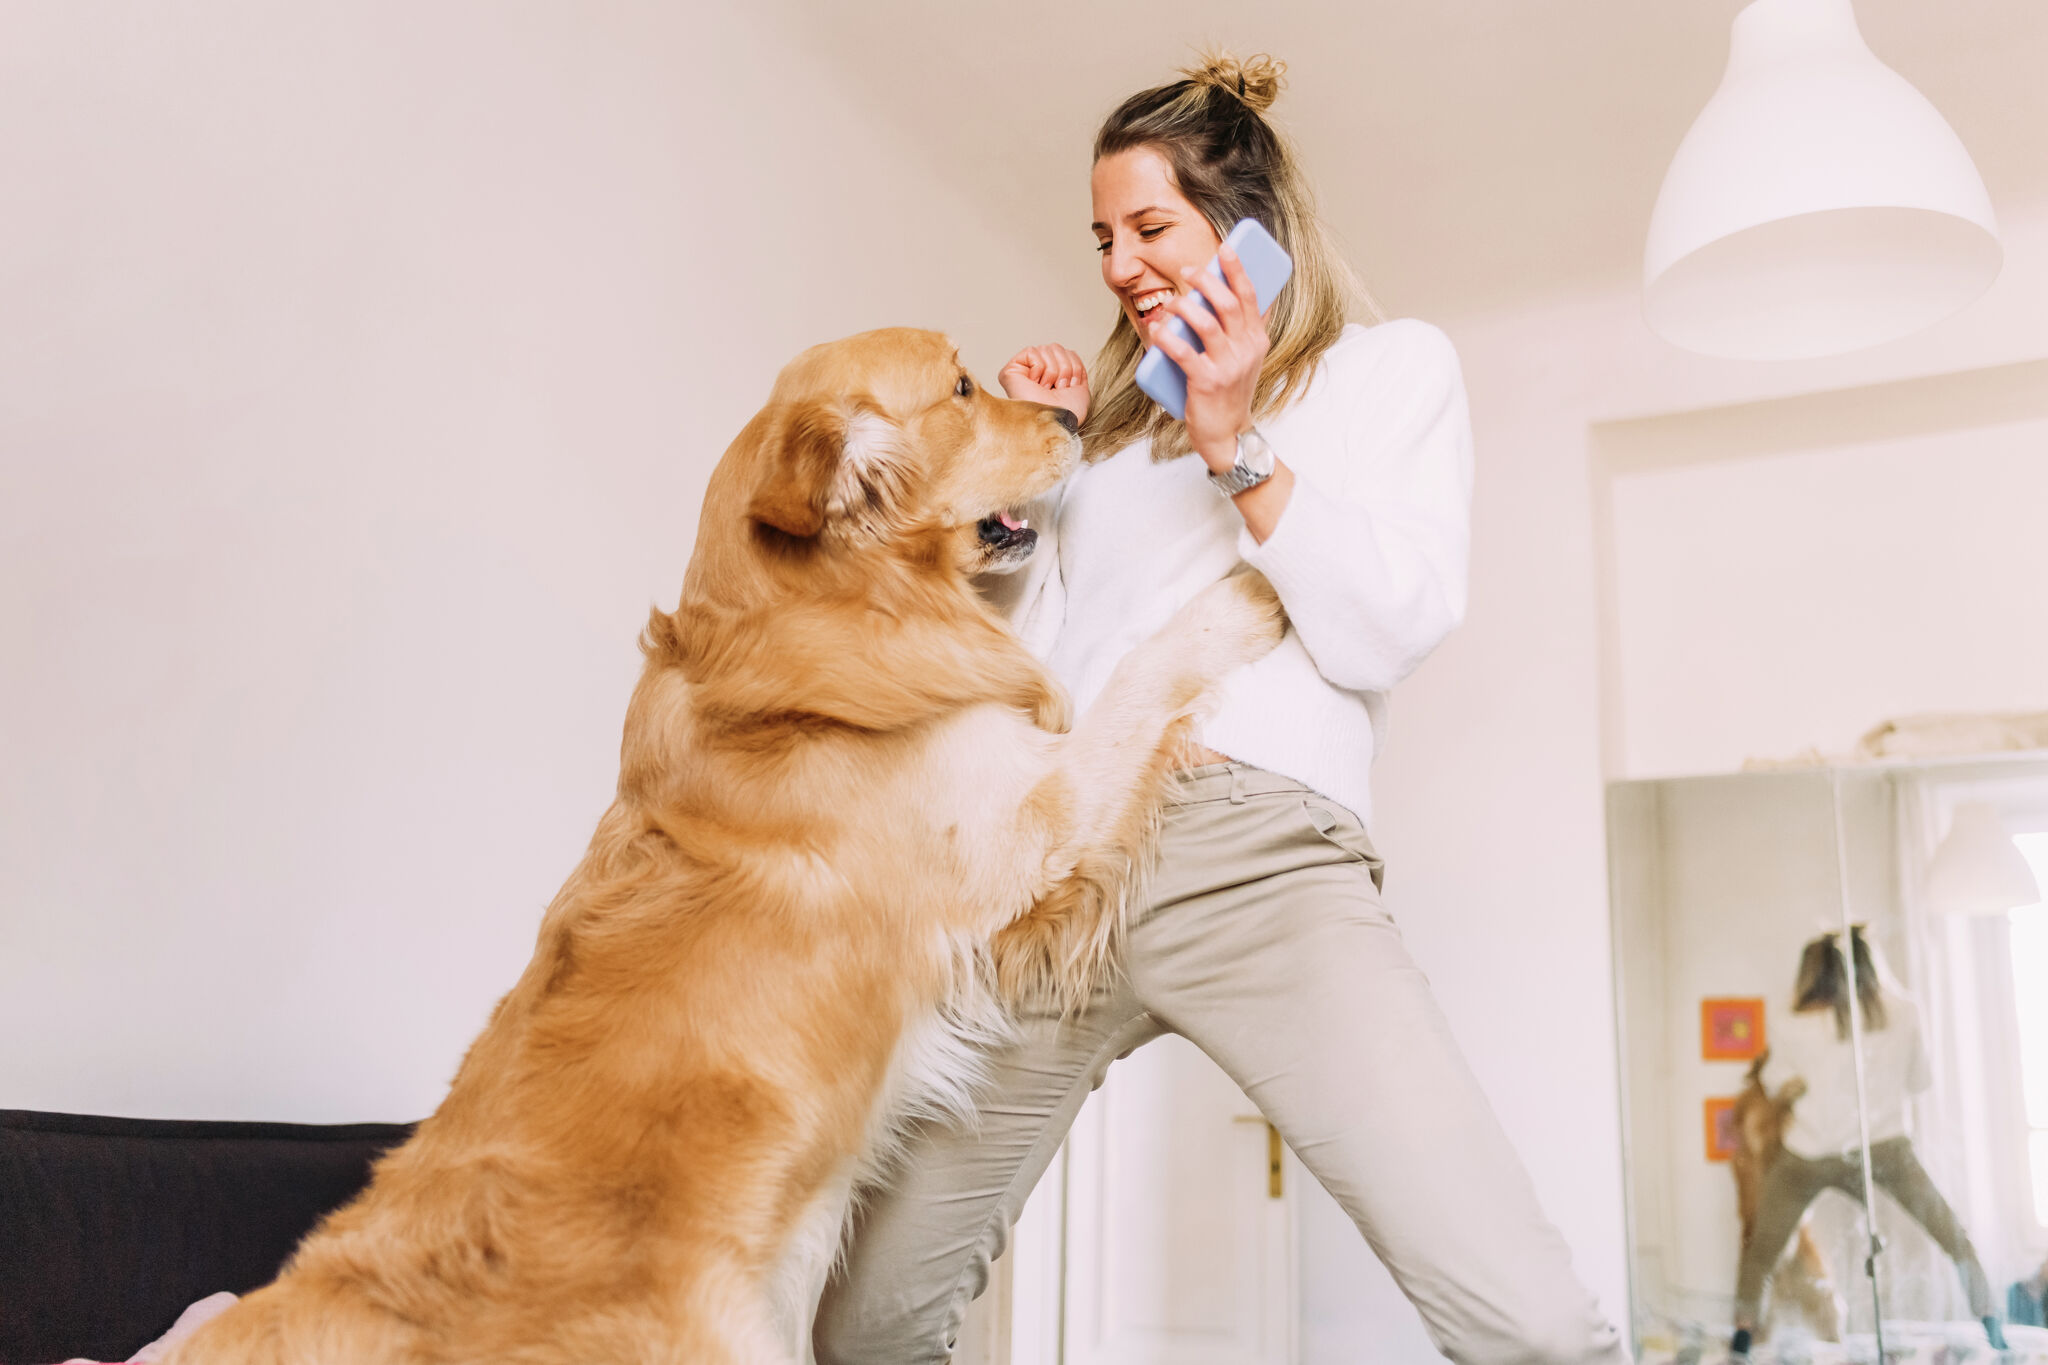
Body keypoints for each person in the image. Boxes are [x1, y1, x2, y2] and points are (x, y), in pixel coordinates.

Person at [813, 52, 1625, 1365]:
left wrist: (1234, 434)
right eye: (1102, 238)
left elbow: (1392, 623)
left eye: (1150, 227)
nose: (1119, 264)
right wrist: (1033, 485)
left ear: (1251, 228)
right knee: (863, 1320)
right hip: (1059, 881)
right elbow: (1035, 667)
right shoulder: (1118, 439)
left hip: (1257, 863)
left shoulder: (1385, 372)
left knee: (1532, 1327)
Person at [1734, 927, 2006, 1356]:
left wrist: (1810, 1081)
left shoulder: (1791, 1025)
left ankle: (1742, 1337)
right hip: (1884, 1147)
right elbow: (1921, 1081)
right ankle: (1994, 1326)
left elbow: (1775, 1084)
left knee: (1761, 1251)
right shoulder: (1905, 1011)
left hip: (1808, 1152)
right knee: (1952, 1234)